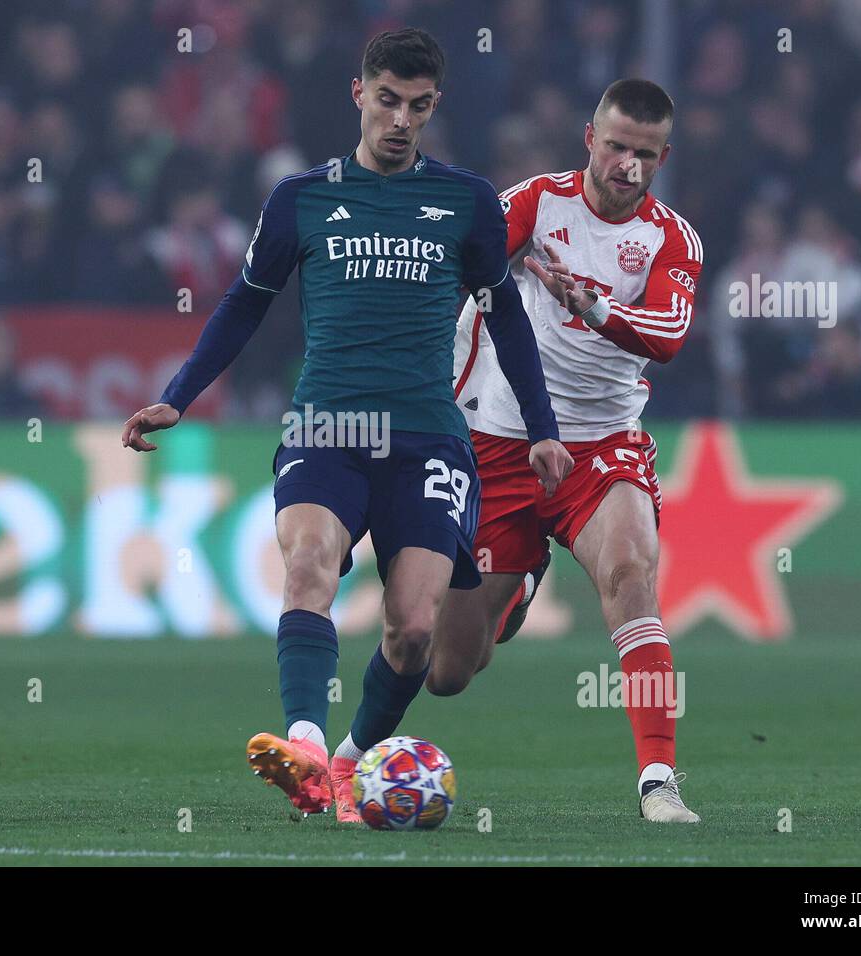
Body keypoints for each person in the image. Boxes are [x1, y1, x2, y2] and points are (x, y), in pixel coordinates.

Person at [122, 28, 571, 817]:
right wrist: (179, 395)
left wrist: (541, 427)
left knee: (414, 630)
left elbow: (506, 318)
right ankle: (300, 743)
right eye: (389, 100)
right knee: (307, 567)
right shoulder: (302, 197)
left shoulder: (466, 201)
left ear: (435, 107)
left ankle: (345, 762)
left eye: (419, 106)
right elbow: (244, 304)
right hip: (326, 429)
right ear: (359, 94)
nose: (401, 119)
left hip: (429, 437)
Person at [430, 79, 704, 823]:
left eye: (645, 155)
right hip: (500, 438)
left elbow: (670, 336)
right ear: (590, 137)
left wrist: (593, 304)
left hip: (602, 447)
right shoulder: (533, 204)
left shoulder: (672, 239)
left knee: (631, 576)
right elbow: (459, 274)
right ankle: (514, 590)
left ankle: (659, 782)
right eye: (616, 146)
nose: (628, 165)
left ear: (663, 158)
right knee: (450, 671)